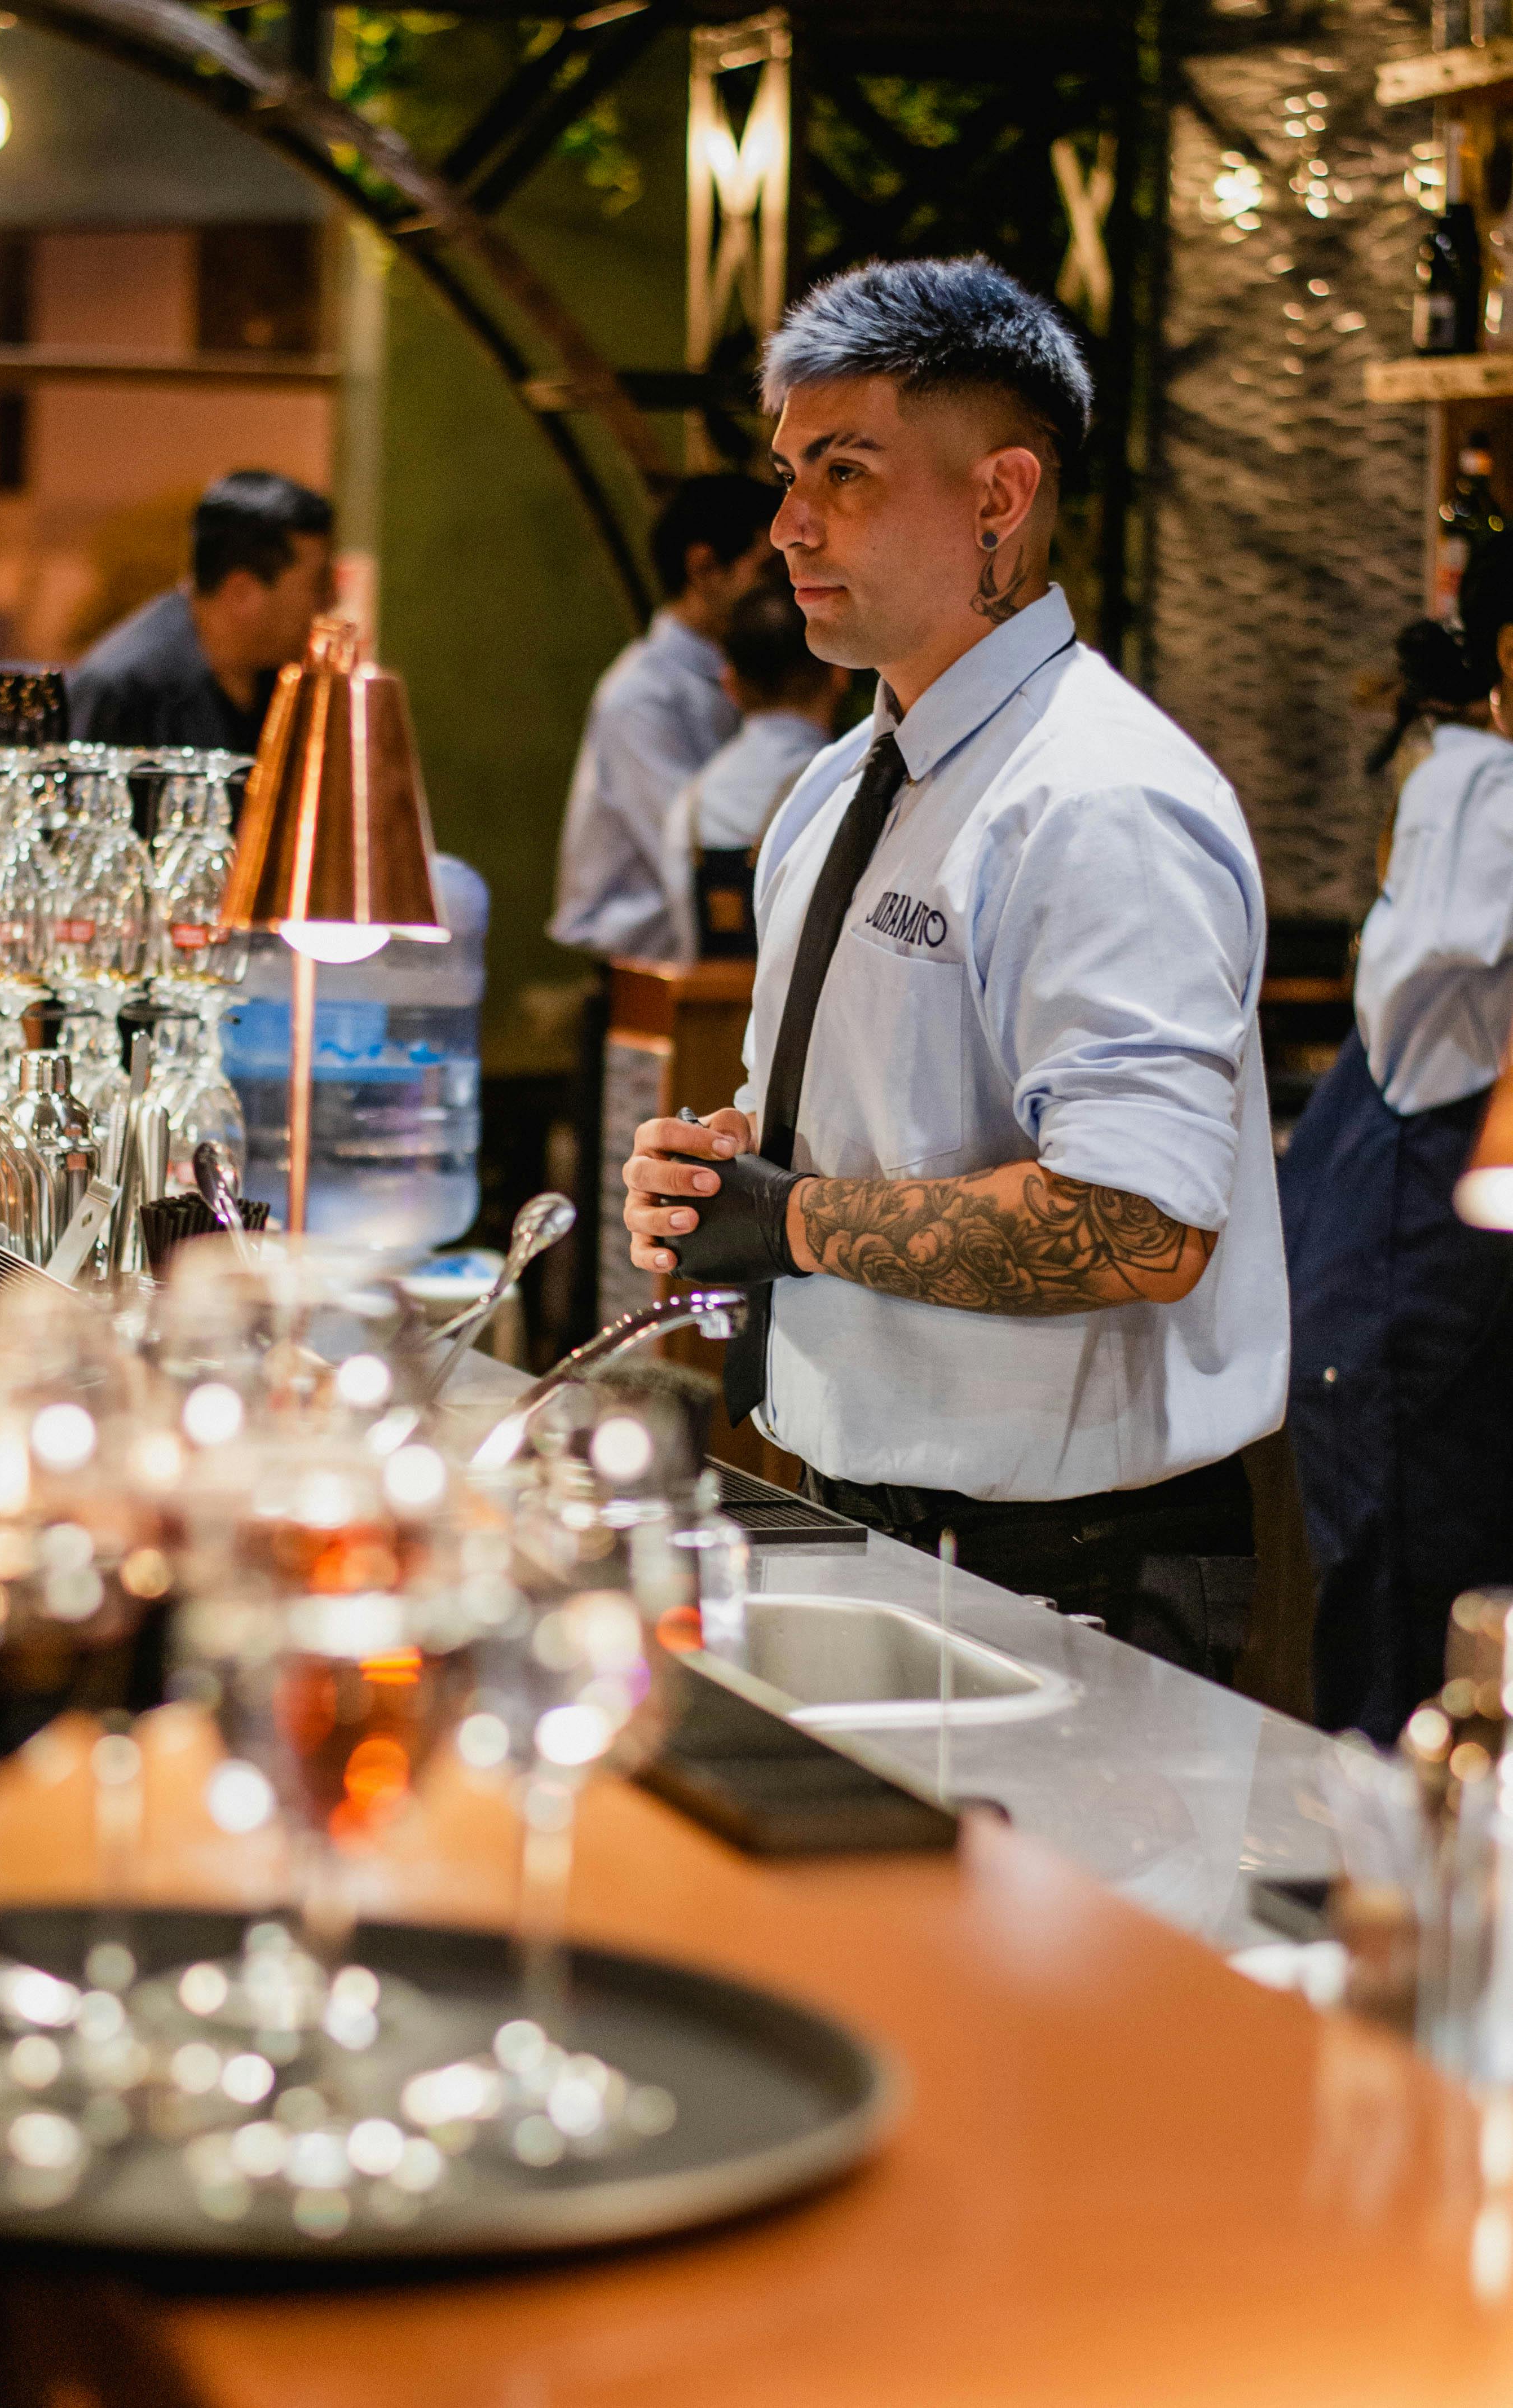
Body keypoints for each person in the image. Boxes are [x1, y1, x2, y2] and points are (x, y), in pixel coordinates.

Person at [621, 254, 1289, 1684]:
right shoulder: (833, 786)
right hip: (839, 1504)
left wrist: (790, 1217)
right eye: (788, 471)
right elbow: (834, 1139)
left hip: (1070, 1563)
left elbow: (1140, 1224)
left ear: (998, 497)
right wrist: (715, 1169)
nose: (788, 525)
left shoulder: (1098, 796)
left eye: (847, 474)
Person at [1281, 549, 1513, 1744]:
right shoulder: (1481, 799)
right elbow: (1420, 1026)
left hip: (1428, 1286)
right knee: (1414, 1701)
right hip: (1408, 1293)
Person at [549, 474, 778, 962]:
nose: (785, 590)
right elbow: (696, 855)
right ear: (704, 567)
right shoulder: (643, 695)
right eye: (768, 569)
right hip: (648, 979)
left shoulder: (731, 673)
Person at [68, 470, 334, 753]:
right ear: (241, 593)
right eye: (318, 585)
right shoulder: (123, 694)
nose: (331, 601)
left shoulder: (282, 680)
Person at [661, 582, 852, 962]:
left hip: (713, 1018)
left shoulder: (689, 805)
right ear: (839, 673)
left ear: (729, 684)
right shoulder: (850, 789)